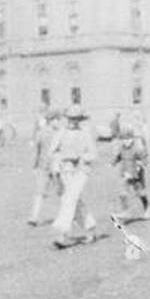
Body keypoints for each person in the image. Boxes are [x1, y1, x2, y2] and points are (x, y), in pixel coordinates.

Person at [49, 103, 100, 247]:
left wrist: (82, 157)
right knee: (75, 200)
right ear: (67, 118)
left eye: (77, 119)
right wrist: (60, 160)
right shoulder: (61, 133)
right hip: (66, 170)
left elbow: (93, 154)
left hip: (81, 171)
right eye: (71, 118)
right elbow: (52, 152)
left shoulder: (85, 133)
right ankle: (90, 229)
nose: (73, 121)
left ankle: (62, 234)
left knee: (69, 199)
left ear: (80, 120)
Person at [111, 113, 150, 222]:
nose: (125, 142)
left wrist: (140, 165)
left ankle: (147, 209)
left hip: (136, 175)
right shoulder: (122, 148)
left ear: (132, 138)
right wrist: (113, 162)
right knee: (122, 192)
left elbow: (144, 158)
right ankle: (125, 211)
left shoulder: (137, 148)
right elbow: (119, 156)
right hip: (125, 173)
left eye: (127, 139)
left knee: (140, 193)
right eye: (123, 139)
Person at [28, 108, 64, 226]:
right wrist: (35, 166)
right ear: (50, 120)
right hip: (45, 167)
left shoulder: (60, 133)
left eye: (59, 119)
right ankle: (34, 217)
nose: (58, 122)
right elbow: (36, 152)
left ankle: (68, 213)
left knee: (62, 191)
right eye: (56, 119)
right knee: (40, 192)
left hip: (57, 167)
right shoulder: (44, 133)